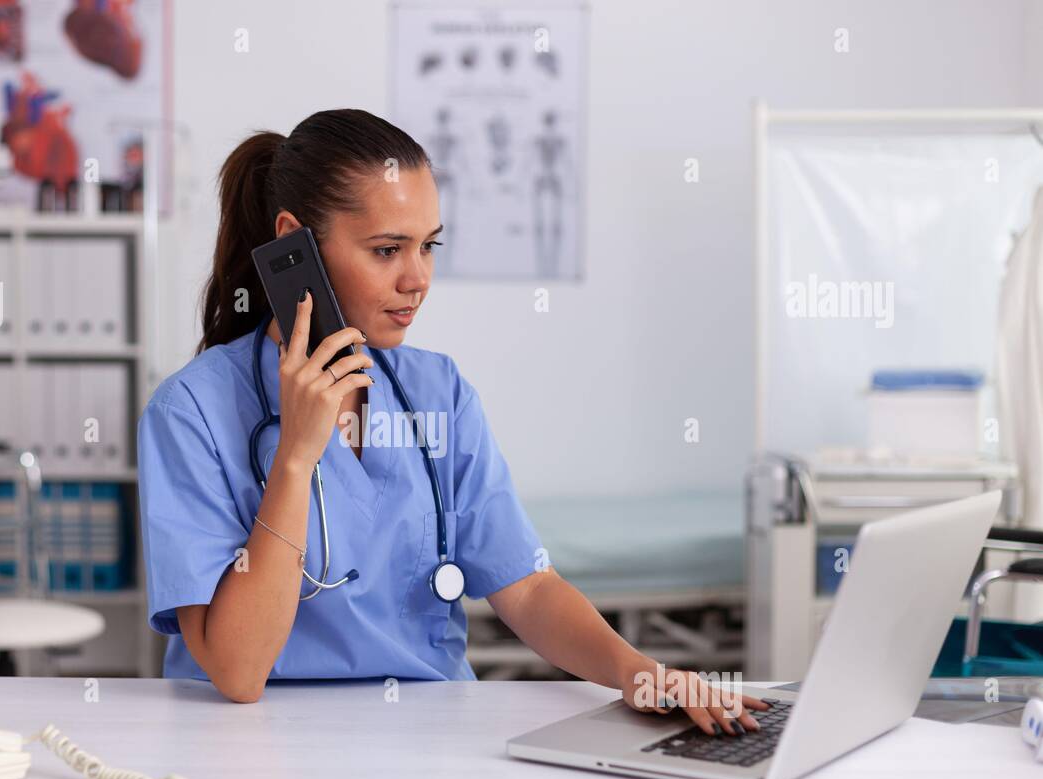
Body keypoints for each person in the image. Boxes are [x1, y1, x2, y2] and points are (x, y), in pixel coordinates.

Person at [138, 108, 768, 734]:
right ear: (293, 245)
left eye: (428, 246)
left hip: (428, 740)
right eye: (387, 250)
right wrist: (297, 456)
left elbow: (527, 589)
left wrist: (640, 672)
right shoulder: (190, 413)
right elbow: (239, 672)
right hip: (252, 748)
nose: (417, 280)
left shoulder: (438, 392)